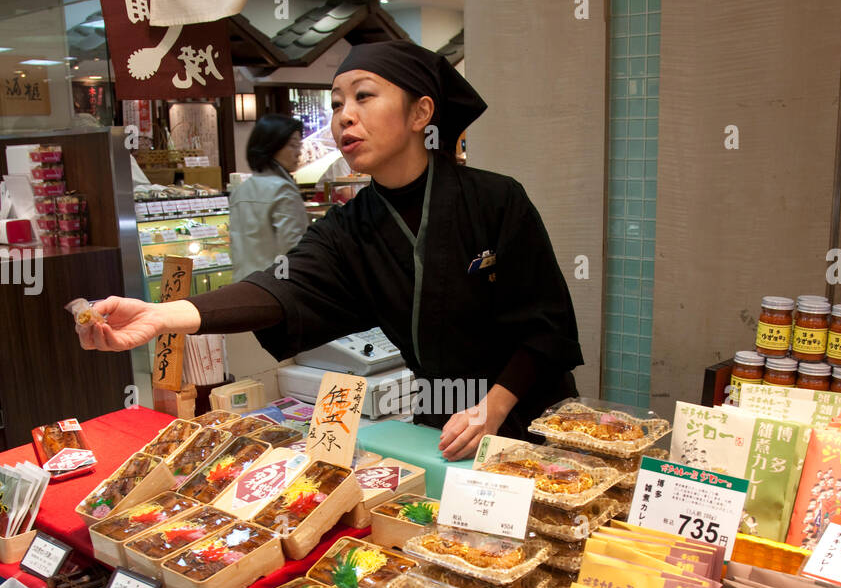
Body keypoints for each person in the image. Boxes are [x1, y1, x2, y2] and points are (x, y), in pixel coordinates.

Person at [76, 41, 583, 461]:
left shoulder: (495, 200)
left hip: (528, 414)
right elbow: (281, 287)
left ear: (420, 113)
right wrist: (163, 314)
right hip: (443, 423)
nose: (345, 117)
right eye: (337, 103)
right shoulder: (351, 224)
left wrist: (490, 409)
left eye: (364, 97)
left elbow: (546, 325)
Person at [229, 114, 309, 279]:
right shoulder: (283, 190)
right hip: (274, 287)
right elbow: (293, 251)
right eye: (293, 145)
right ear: (272, 146)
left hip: (244, 284)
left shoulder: (241, 189)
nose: (299, 152)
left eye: (299, 145)